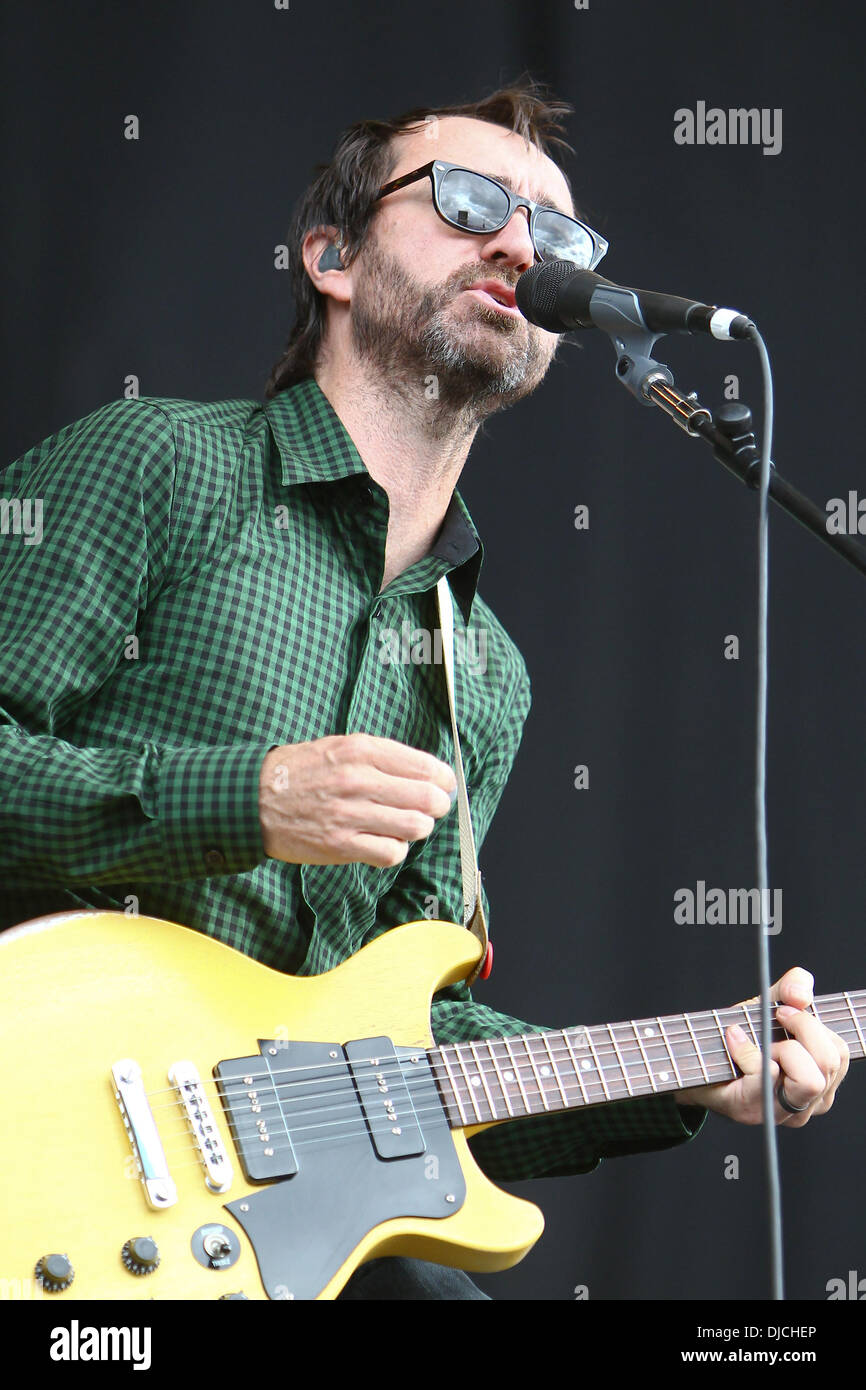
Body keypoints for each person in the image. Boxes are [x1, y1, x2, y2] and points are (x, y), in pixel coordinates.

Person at [0, 77, 848, 1300]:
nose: (519, 244)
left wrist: (686, 1074)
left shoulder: (482, 671)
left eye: (557, 237)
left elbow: (403, 1041)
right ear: (331, 257)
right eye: (467, 202)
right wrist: (240, 800)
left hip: (232, 1222)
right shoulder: (158, 465)